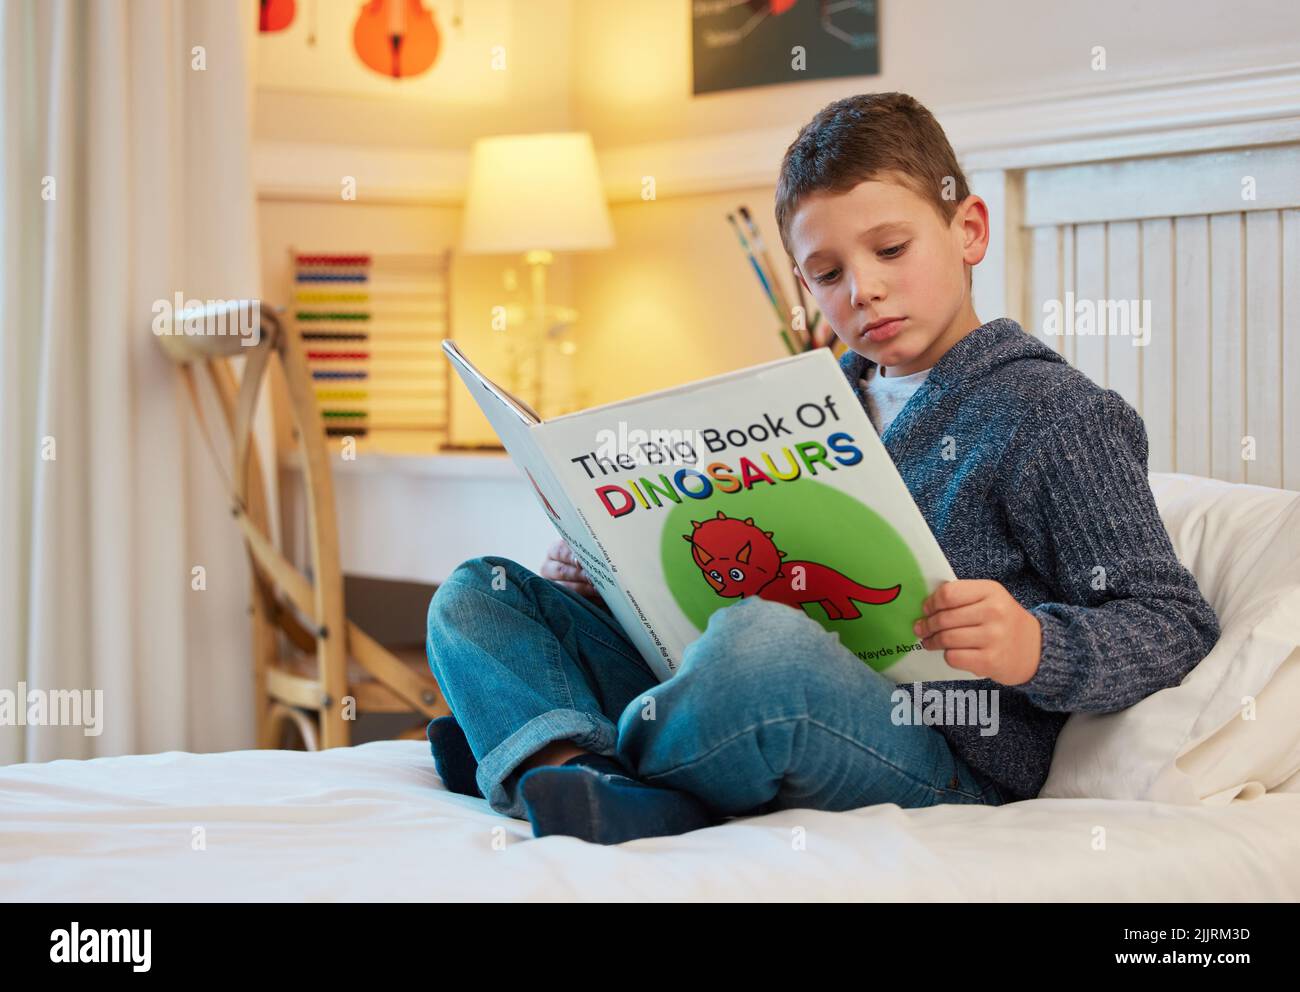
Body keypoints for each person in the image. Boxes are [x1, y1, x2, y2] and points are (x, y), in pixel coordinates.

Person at [424, 91, 1221, 845]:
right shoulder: (813, 403)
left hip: (938, 746)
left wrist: (1034, 645)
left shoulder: (1055, 414)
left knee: (760, 647)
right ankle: (569, 772)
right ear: (803, 285)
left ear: (969, 230)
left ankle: (542, 745)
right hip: (726, 683)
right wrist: (607, 569)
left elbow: (1171, 626)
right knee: (474, 595)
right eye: (830, 273)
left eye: (891, 249)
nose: (865, 290)